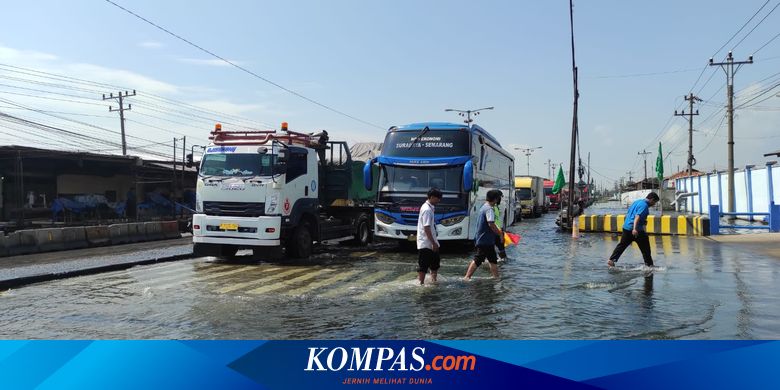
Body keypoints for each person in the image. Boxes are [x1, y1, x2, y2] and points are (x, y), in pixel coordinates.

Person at [607, 192, 660, 268]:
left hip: (626, 227)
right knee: (646, 249)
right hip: (636, 230)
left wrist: (642, 222)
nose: (654, 204)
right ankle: (649, 265)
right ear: (652, 199)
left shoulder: (637, 202)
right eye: (654, 202)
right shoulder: (644, 205)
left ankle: (611, 260)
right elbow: (637, 217)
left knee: (622, 245)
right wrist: (634, 229)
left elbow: (630, 213)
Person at [464, 189, 504, 280]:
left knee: (492, 259)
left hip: (485, 239)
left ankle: (496, 277)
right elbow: (491, 224)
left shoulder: (484, 207)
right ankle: (467, 277)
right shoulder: (489, 209)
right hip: (485, 239)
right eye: (498, 198)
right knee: (479, 259)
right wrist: (500, 234)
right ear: (495, 199)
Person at [416, 187, 442, 285]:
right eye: (437, 198)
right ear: (431, 197)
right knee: (423, 265)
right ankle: (421, 283)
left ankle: (433, 281)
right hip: (426, 243)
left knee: (435, 263)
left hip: (432, 241)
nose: (439, 201)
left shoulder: (430, 207)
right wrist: (433, 243)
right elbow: (426, 228)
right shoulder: (427, 209)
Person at [493, 197, 508, 261]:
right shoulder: (503, 204)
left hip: (495, 229)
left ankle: (494, 260)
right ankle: (503, 260)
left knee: (491, 247)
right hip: (499, 229)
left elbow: (495, 221)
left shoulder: (494, 207)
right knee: (501, 247)